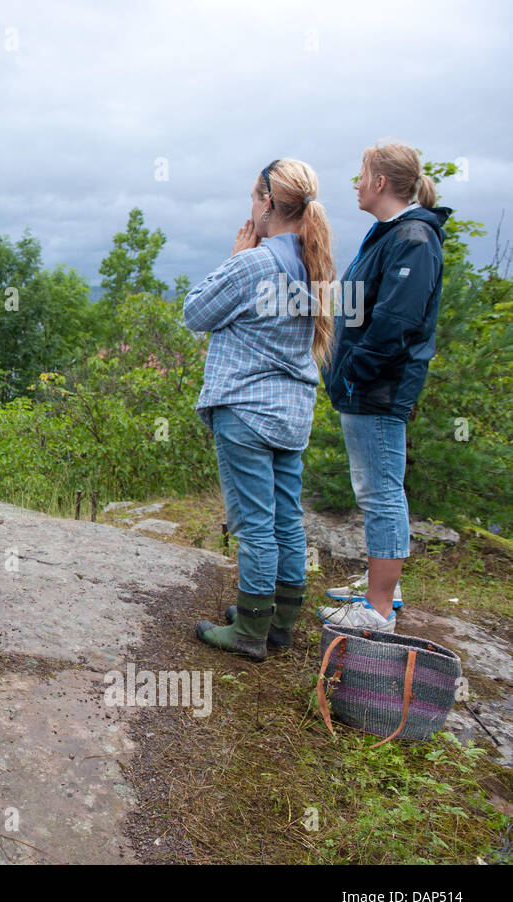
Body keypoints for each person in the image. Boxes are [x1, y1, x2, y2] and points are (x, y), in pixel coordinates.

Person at [183, 158, 334, 660]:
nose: (251, 207)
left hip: (245, 411)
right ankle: (280, 621)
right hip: (291, 415)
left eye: (254, 198)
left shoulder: (255, 262)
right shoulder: (314, 265)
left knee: (253, 523)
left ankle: (248, 633)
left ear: (267, 202)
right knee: (287, 519)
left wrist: (235, 256)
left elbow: (195, 313)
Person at [318, 141, 451, 633]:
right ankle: (381, 586)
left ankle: (376, 608)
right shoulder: (391, 234)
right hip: (367, 385)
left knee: (381, 494)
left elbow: (396, 320)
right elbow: (360, 300)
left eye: (360, 174)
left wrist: (354, 370)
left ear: (379, 183)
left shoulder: (413, 238)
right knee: (375, 489)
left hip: (377, 387)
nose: (354, 183)